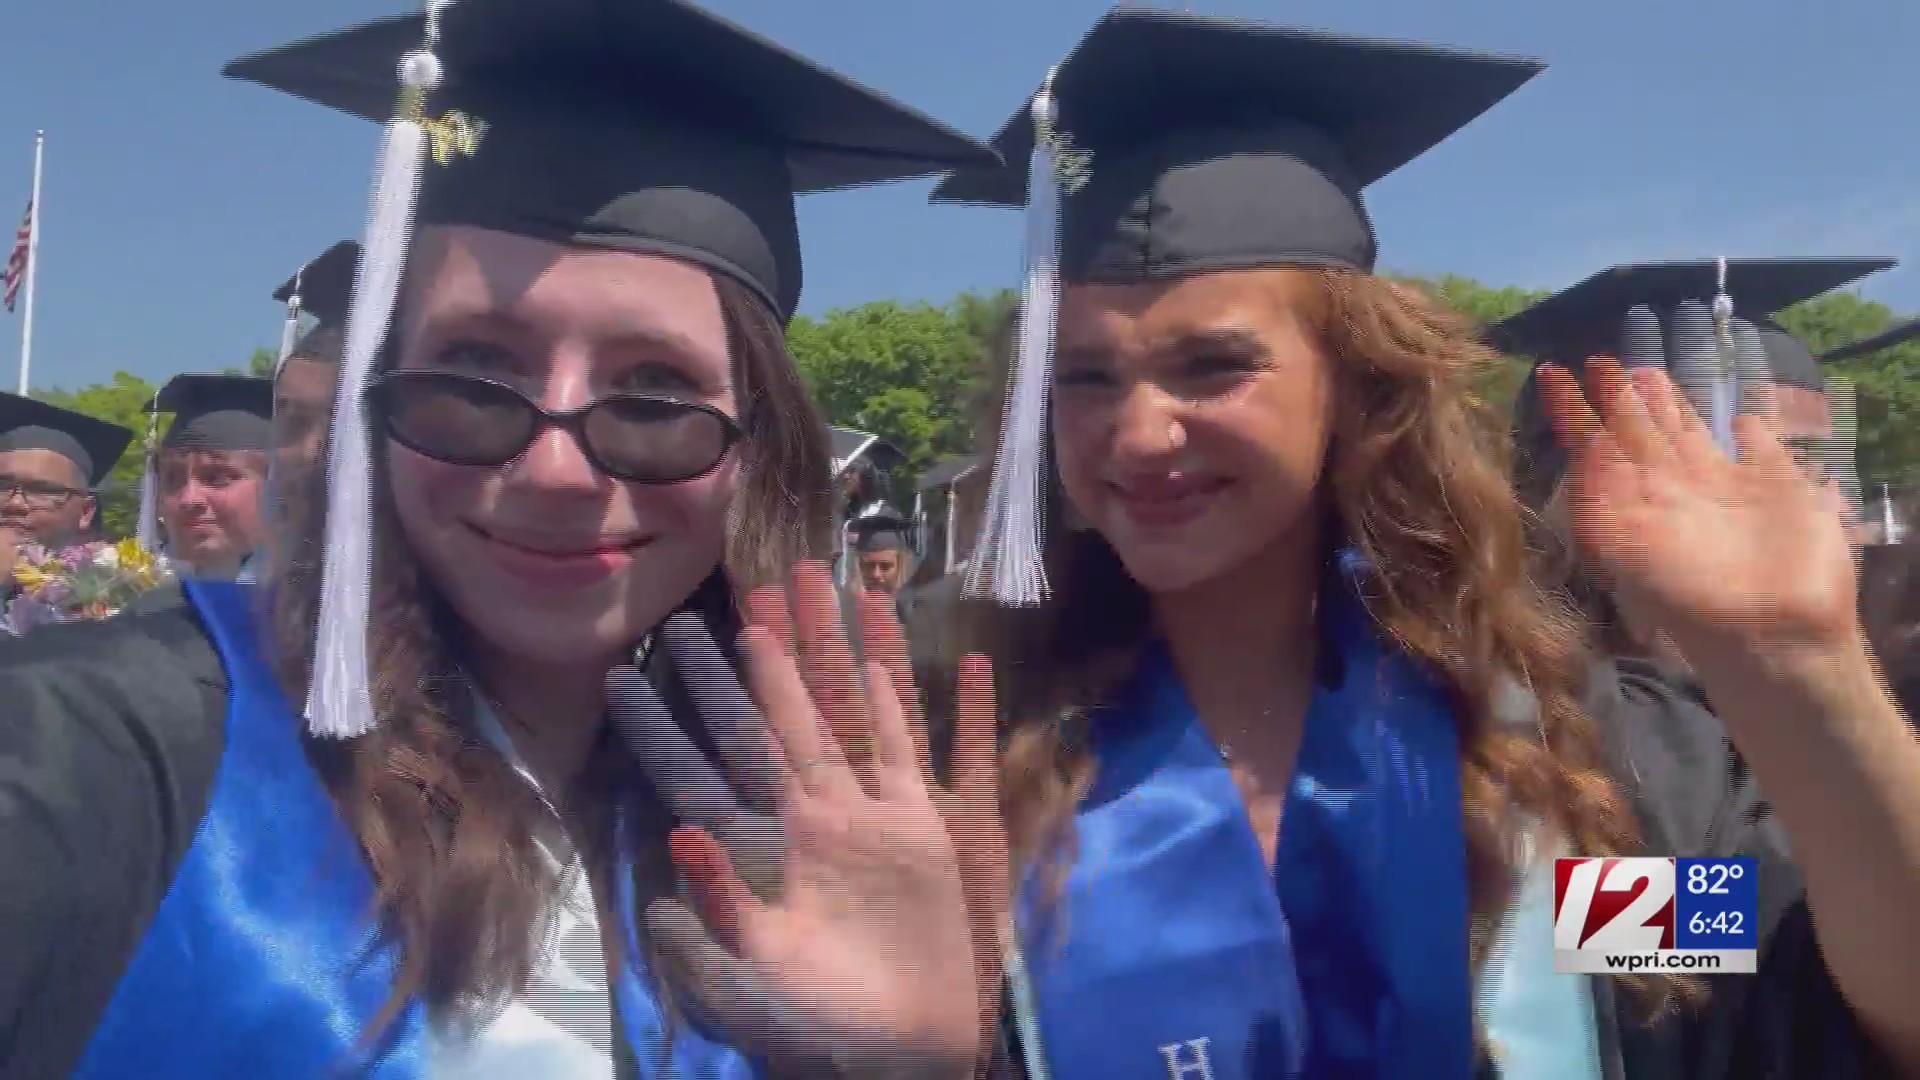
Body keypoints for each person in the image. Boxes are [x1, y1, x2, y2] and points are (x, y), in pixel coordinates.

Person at [0, 4, 1004, 1078]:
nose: (556, 470)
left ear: (756, 454)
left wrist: (924, 1067)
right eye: (474, 372)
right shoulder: (105, 750)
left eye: (656, 391)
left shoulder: (803, 834)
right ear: (374, 404)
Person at [933, 10, 1920, 1080]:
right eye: (1083, 378)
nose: (1136, 434)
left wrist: (1802, 663)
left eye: (1213, 365)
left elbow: (1812, 991)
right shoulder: (974, 764)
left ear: (1360, 387)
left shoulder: (1553, 764)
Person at [1500, 258, 1894, 663]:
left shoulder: (1887, 668)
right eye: (1738, 457)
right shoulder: (1510, 689)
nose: (1835, 507)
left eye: (1809, 461)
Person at [143, 374, 275, 580]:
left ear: (277, 487)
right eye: (172, 480)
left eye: (217, 478)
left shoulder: (314, 595)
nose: (189, 499)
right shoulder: (137, 595)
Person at [0, 393, 135, 575]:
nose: (15, 504)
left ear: (85, 512)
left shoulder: (116, 589)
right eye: (2, 486)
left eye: (41, 491)